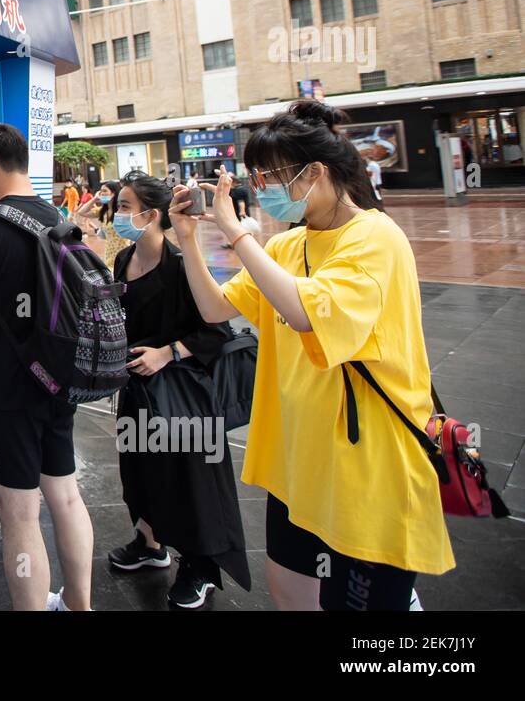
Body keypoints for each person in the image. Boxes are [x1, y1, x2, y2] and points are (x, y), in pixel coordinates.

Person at [169, 100, 455, 611]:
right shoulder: (285, 246)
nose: (264, 191)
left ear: (317, 172)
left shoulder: (375, 238)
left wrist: (236, 232)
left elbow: (304, 312)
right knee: (291, 594)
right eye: (257, 179)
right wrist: (190, 240)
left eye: (271, 177)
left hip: (365, 465)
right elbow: (215, 308)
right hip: (297, 461)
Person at [0, 123, 95, 611]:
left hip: (4, 391)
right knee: (66, 498)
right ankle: (79, 604)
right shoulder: (57, 217)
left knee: (21, 517)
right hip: (57, 380)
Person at [105, 172, 249, 609]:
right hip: (138, 388)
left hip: (182, 389)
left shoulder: (181, 264)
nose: (118, 215)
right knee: (142, 470)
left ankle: (200, 566)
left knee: (190, 481)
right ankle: (150, 544)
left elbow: (217, 331)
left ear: (151, 215)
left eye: (126, 207)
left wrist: (168, 352)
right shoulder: (124, 258)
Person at [73, 179, 128, 267]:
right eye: (101, 191)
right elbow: (81, 212)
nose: (102, 193)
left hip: (124, 253)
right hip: (109, 252)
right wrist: (95, 199)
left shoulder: (123, 211)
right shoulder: (102, 211)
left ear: (113, 193)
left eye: (105, 191)